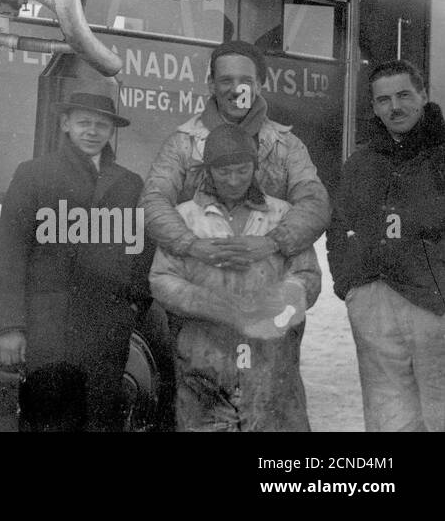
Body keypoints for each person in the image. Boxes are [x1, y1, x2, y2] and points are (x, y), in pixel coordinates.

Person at [0, 91, 154, 431]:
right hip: (46, 329)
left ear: (112, 130)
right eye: (83, 123)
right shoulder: (34, 175)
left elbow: (141, 254)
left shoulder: (129, 184)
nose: (92, 131)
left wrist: (131, 309)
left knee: (99, 420)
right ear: (65, 124)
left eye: (101, 125)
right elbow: (10, 254)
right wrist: (10, 327)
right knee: (45, 419)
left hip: (105, 331)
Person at [149, 123, 321, 431]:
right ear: (207, 171)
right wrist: (220, 306)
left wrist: (272, 303)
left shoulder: (281, 215)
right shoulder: (186, 217)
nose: (233, 180)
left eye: (242, 171)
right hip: (204, 363)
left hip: (272, 364)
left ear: (255, 168)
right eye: (223, 172)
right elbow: (162, 279)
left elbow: (308, 276)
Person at [327, 59, 445, 431]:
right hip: (376, 304)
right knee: (389, 420)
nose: (395, 107)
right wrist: (352, 288)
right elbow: (339, 227)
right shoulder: (362, 162)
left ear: (423, 95)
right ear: (374, 107)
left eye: (404, 95)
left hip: (434, 306)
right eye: (383, 100)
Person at [142, 40, 330, 273]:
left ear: (259, 86)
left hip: (269, 280)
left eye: (246, 81)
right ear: (211, 85)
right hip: (199, 279)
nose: (236, 89)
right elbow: (153, 201)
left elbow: (315, 203)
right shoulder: (183, 144)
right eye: (226, 80)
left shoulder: (286, 145)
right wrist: (191, 245)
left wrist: (272, 243)